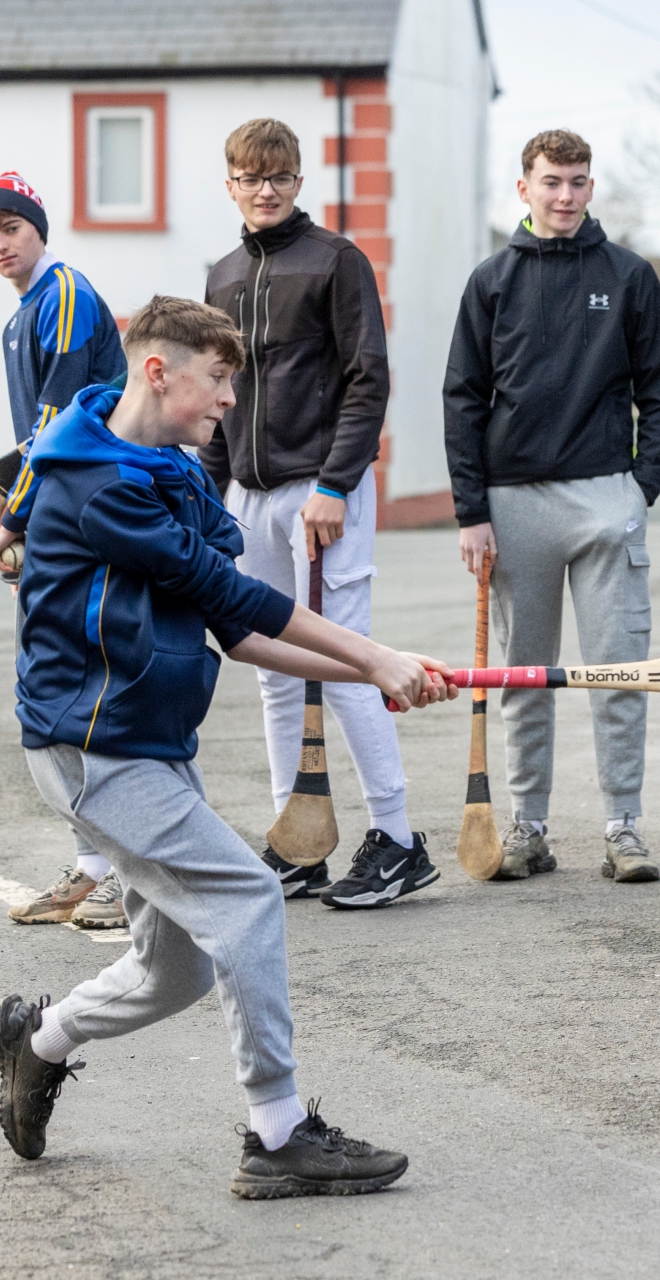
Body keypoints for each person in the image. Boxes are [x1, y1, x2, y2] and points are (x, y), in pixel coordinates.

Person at [0, 295, 449, 1196]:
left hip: (149, 739)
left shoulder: (174, 470)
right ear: (159, 372)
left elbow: (232, 630)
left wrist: (378, 672)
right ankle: (277, 1135)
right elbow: (232, 597)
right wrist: (373, 655)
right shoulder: (95, 484)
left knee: (176, 967)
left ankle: (34, 1040)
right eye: (221, 378)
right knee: (248, 900)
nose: (233, 399)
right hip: (91, 750)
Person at [201, 118, 435, 909]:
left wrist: (337, 484)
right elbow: (215, 393)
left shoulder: (336, 261)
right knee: (270, 665)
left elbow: (368, 377)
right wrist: (211, 495)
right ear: (229, 183)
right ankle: (298, 844)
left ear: (299, 181)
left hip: (322, 492)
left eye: (279, 175)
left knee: (346, 665)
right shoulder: (223, 274)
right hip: (248, 495)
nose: (264, 189)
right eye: (248, 176)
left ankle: (399, 839)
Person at [442, 129, 660, 885]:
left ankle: (624, 827)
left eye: (579, 182)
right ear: (523, 188)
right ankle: (529, 828)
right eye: (551, 182)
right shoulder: (491, 281)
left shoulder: (629, 275)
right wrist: (470, 511)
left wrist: (638, 489)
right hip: (514, 507)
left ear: (590, 187)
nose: (566, 196)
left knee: (620, 670)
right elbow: (462, 399)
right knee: (525, 675)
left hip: (605, 498)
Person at [0, 171, 133, 930]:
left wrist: (13, 521)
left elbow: (60, 421)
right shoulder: (23, 312)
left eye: (12, 229)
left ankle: (127, 872)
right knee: (56, 688)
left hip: (90, 514)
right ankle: (94, 863)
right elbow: (37, 434)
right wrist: (24, 522)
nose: (0, 245)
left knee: (91, 692)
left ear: (39, 227)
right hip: (55, 518)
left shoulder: (63, 293)